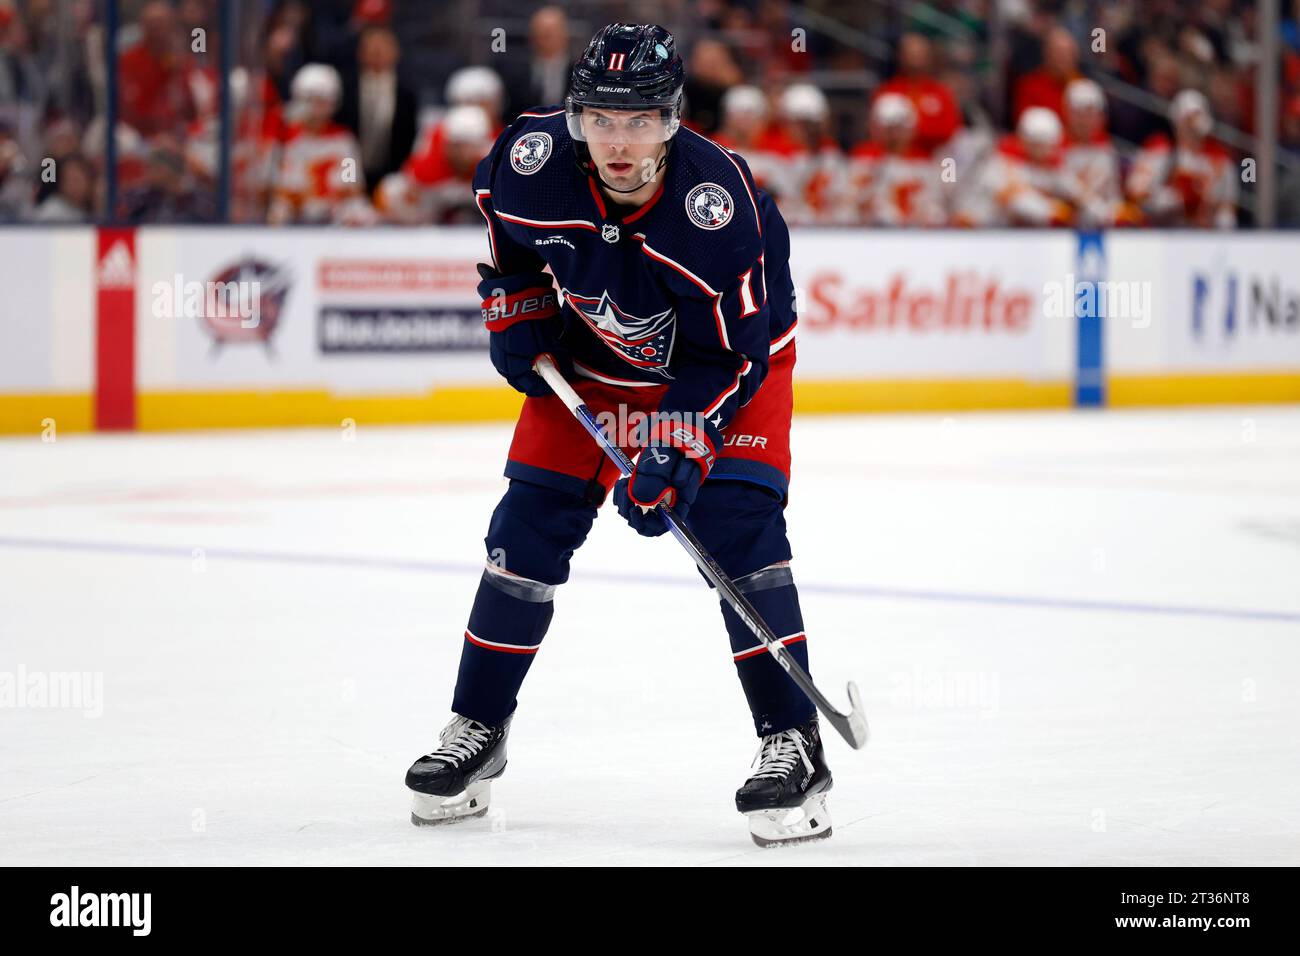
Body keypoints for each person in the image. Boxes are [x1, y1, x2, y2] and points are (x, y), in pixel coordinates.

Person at [405, 23, 832, 847]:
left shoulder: (720, 208)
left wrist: (674, 447)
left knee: (738, 533)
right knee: (523, 534)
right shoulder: (528, 161)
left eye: (640, 121)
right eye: (602, 119)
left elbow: (734, 357)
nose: (620, 142)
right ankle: (478, 730)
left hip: (727, 370)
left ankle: (793, 744)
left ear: (673, 120)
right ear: (575, 118)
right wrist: (518, 312)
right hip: (592, 363)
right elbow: (509, 245)